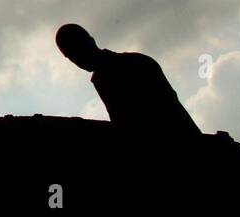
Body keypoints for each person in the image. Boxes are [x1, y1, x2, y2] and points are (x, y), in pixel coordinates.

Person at [54, 23, 201, 138]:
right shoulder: (139, 60)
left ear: (90, 41)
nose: (76, 60)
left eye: (75, 51)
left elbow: (129, 124)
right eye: (70, 56)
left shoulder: (112, 74)